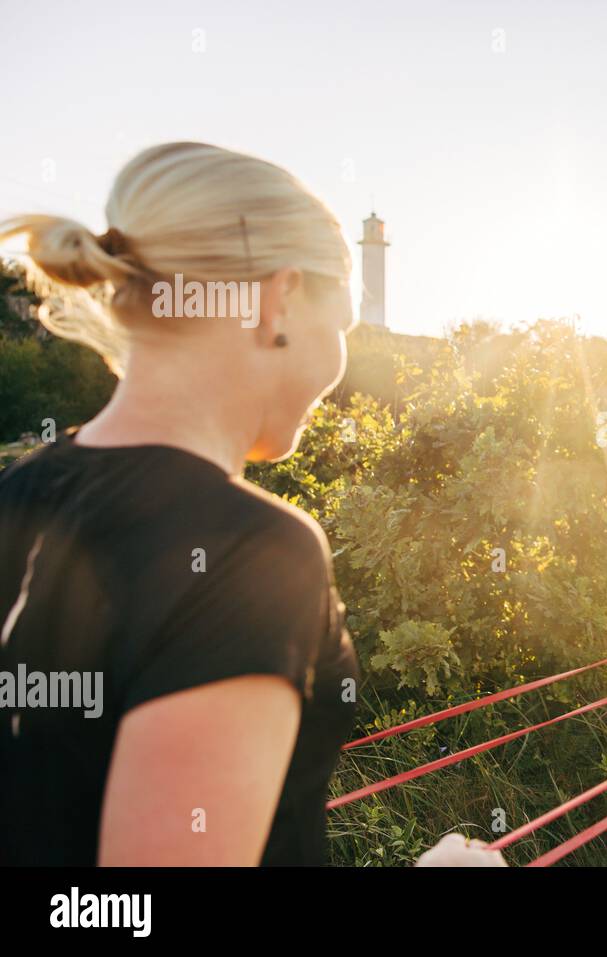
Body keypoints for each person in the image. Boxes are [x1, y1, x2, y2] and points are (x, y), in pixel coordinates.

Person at [0, 142, 502, 866]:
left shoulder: (17, 494)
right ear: (279, 301)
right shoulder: (249, 555)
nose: (337, 364)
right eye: (341, 330)